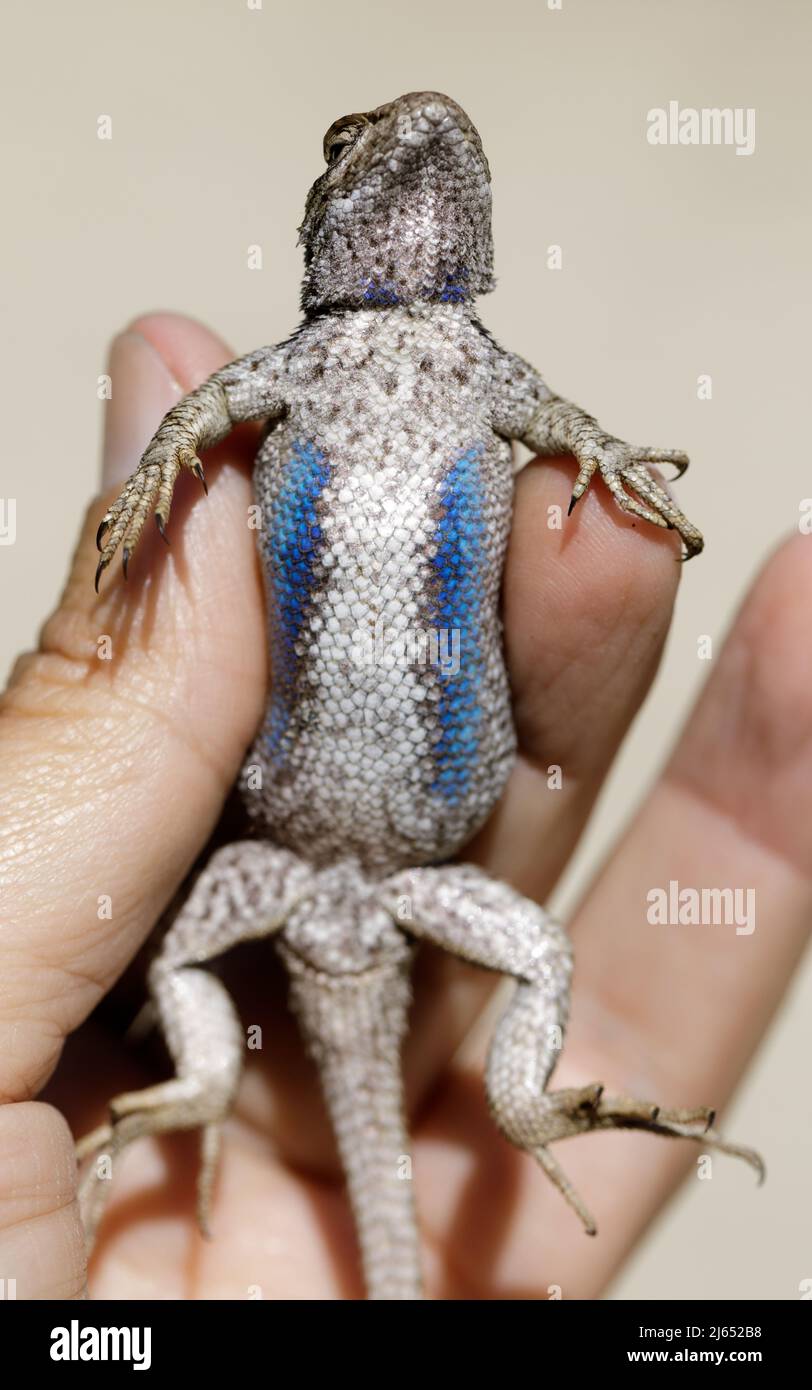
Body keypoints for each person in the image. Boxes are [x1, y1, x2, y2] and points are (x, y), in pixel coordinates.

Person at [0, 312, 807, 1300]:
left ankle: (519, 1098)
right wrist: (156, 470)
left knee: (541, 954)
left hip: (405, 880)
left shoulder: (476, 365)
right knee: (181, 957)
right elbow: (200, 411)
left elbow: (563, 427)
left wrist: (601, 452)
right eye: (351, 147)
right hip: (287, 867)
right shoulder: (306, 361)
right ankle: (206, 1081)